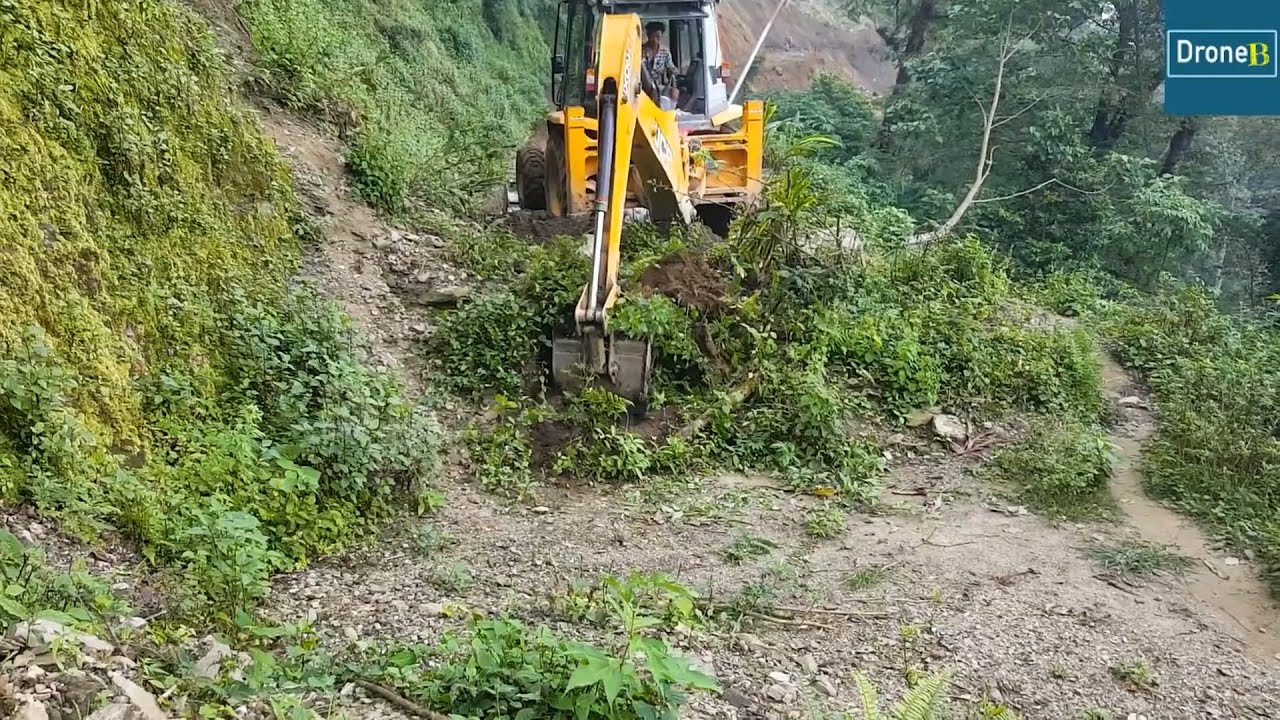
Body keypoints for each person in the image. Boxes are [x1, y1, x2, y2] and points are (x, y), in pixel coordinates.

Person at [642, 21, 680, 106]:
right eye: (652, 37)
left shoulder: (665, 52)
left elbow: (670, 67)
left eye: (658, 37)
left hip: (660, 87)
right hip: (643, 87)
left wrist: (674, 71)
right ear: (648, 35)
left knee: (674, 93)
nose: (655, 40)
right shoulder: (641, 51)